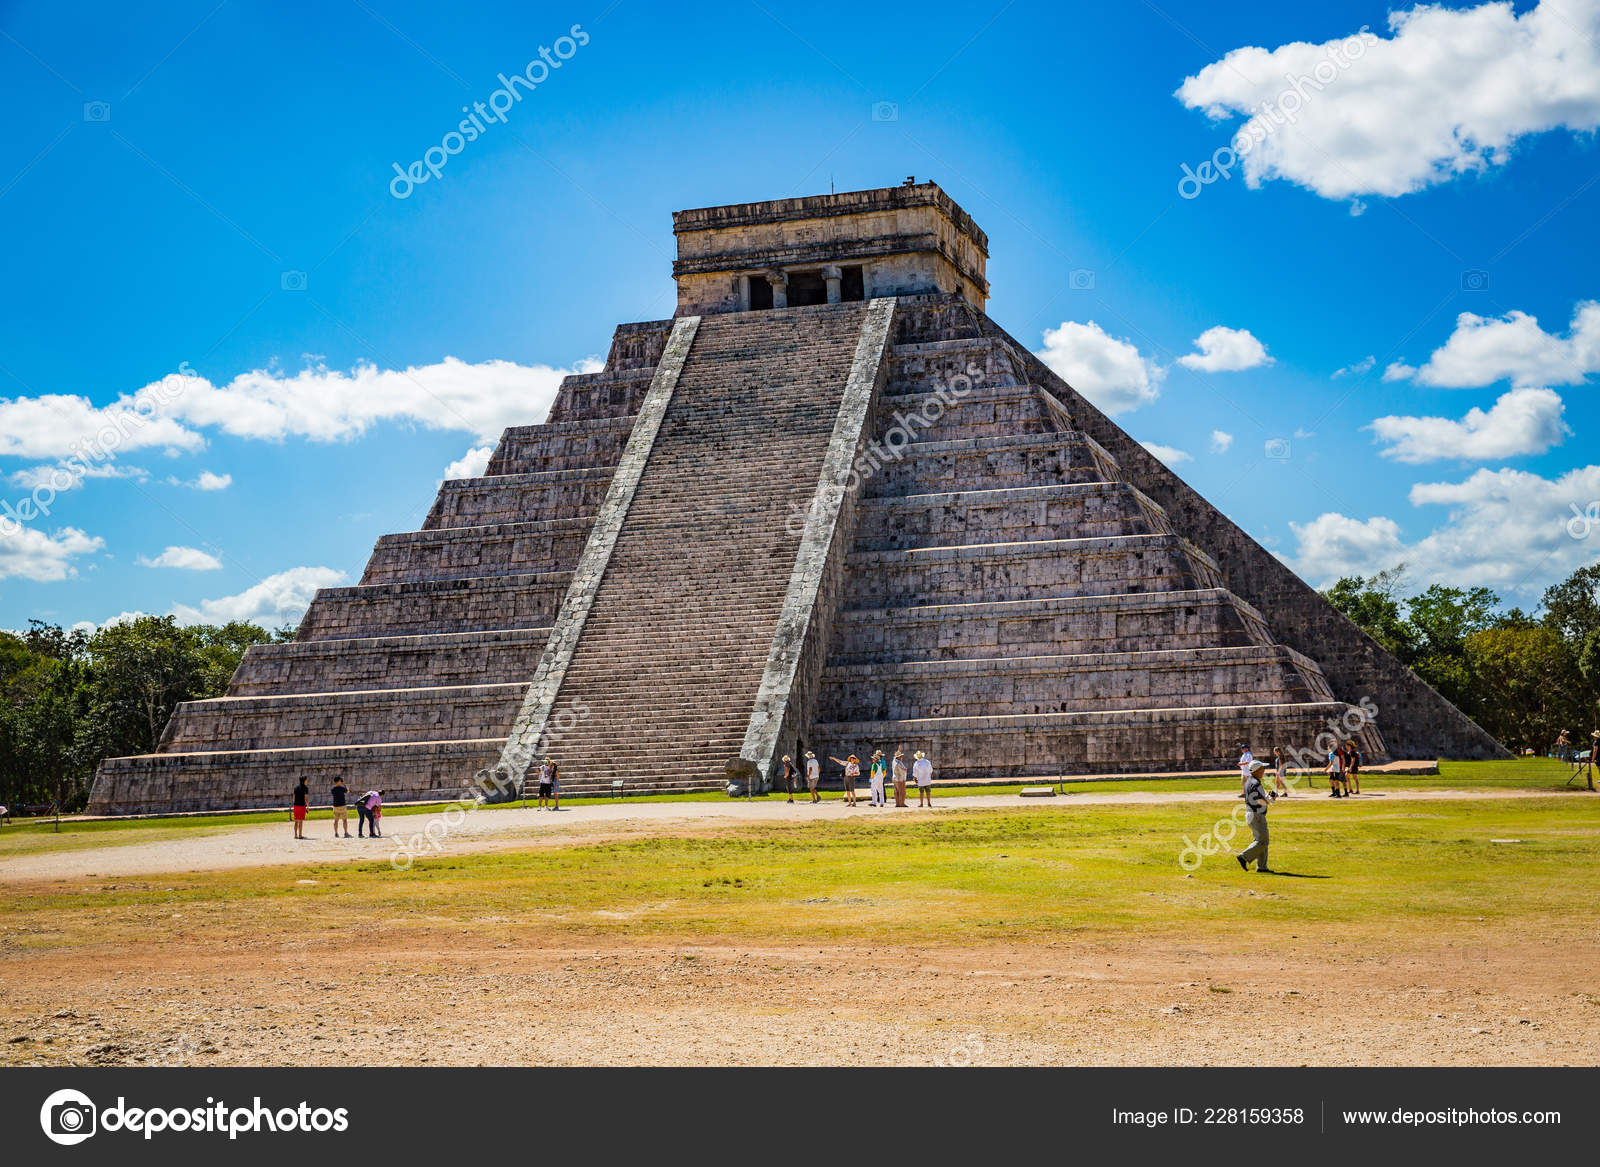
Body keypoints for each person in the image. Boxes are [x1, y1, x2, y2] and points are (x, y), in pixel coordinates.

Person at [1236, 761, 1274, 872]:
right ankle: (1244, 857)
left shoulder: (1250, 781)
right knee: (1263, 842)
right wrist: (1269, 800)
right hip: (1256, 815)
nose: (1264, 771)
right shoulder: (1255, 783)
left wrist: (1268, 798)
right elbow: (1259, 800)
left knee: (1261, 841)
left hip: (1250, 813)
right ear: (1257, 770)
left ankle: (1262, 867)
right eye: (1262, 769)